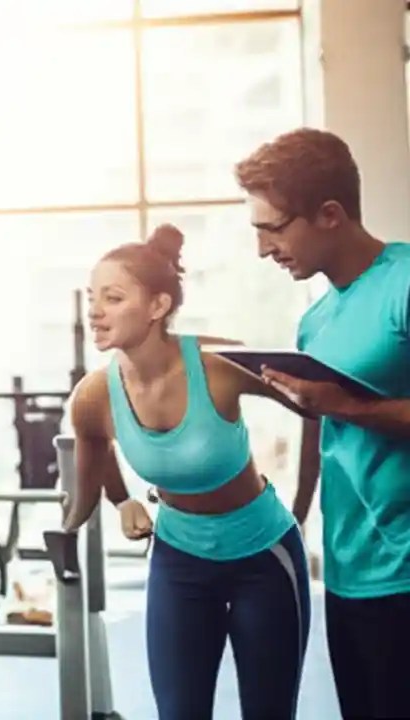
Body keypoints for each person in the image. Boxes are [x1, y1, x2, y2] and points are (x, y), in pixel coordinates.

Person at [61, 224, 311, 720]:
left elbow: (316, 402)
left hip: (264, 556)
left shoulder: (220, 365)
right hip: (180, 561)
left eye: (112, 297)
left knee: (269, 712)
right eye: (93, 297)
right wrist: (117, 502)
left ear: (157, 306)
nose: (95, 310)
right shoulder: (93, 397)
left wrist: (303, 503)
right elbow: (91, 469)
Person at [234, 128, 410, 719]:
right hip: (348, 569)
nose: (263, 249)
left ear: (330, 214)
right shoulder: (314, 323)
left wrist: (347, 405)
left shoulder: (404, 284)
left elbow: (336, 408)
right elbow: (319, 430)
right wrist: (295, 516)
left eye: (274, 228)